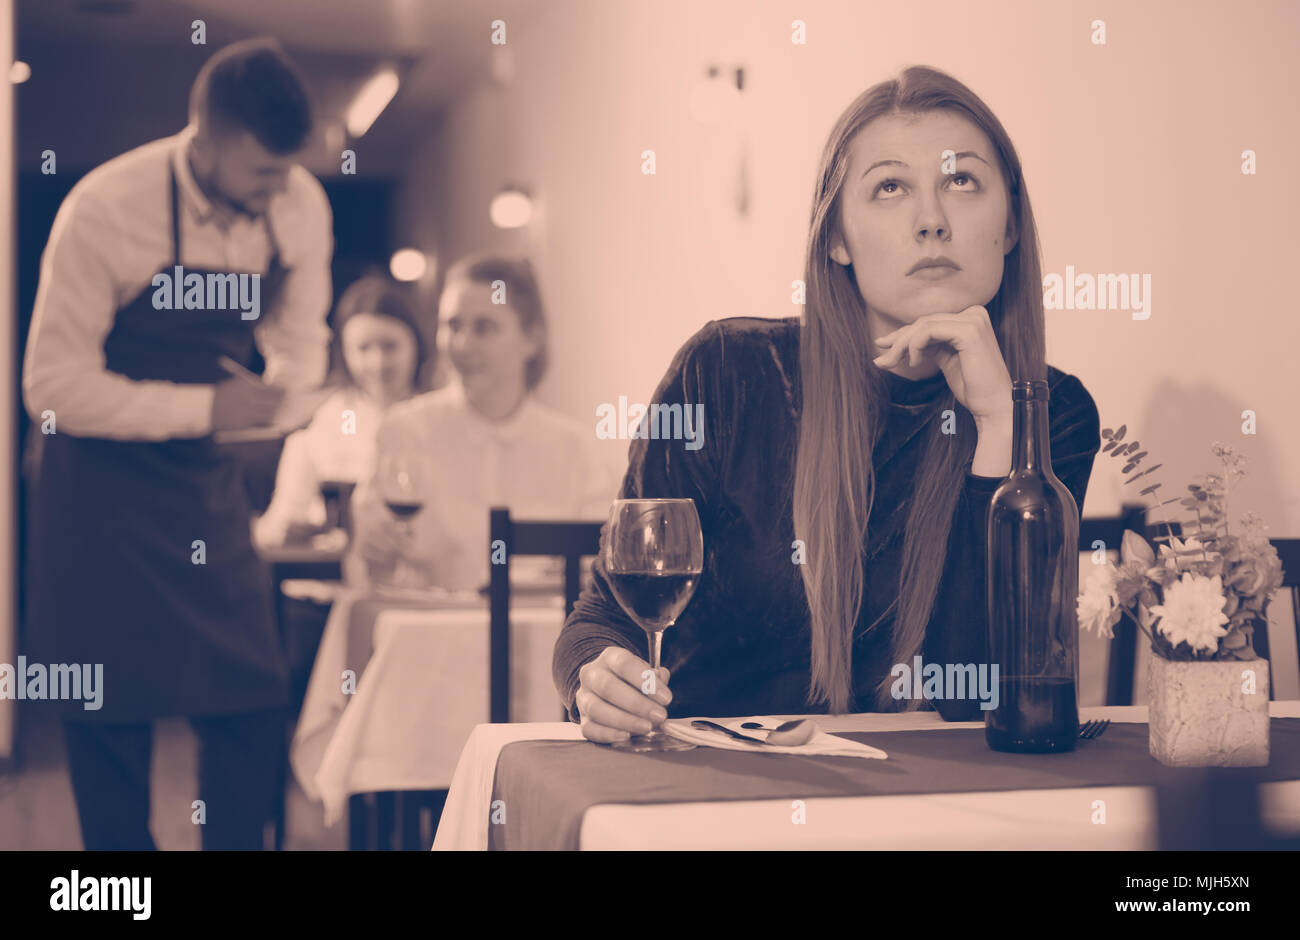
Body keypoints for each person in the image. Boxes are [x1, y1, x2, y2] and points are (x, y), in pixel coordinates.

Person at [554, 66, 1104, 743]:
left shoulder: (1055, 411)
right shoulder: (727, 371)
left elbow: (980, 699)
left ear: (1012, 224)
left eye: (961, 182)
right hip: (712, 783)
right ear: (836, 238)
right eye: (890, 188)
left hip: (933, 801)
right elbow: (603, 616)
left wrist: (999, 428)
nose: (932, 221)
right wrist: (595, 675)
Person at [22, 38, 332, 849]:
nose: (276, 194)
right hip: (95, 488)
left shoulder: (296, 203)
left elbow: (301, 340)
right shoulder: (105, 208)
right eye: (260, 175)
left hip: (201, 483)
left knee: (253, 702)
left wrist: (286, 396)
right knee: (108, 717)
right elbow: (49, 387)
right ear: (203, 144)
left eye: (285, 174)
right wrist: (208, 407)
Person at [347, 254, 616, 591]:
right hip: (428, 634)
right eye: (453, 326)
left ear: (531, 338)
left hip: (543, 637)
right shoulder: (404, 432)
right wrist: (374, 557)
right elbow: (365, 567)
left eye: (484, 328)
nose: (462, 345)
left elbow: (600, 574)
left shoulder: (575, 449)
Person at [253, 273, 425, 548]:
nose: (377, 362)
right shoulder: (324, 419)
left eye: (390, 346)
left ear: (416, 343)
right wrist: (293, 531)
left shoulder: (437, 416)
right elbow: (277, 524)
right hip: (332, 571)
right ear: (344, 352)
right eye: (363, 348)